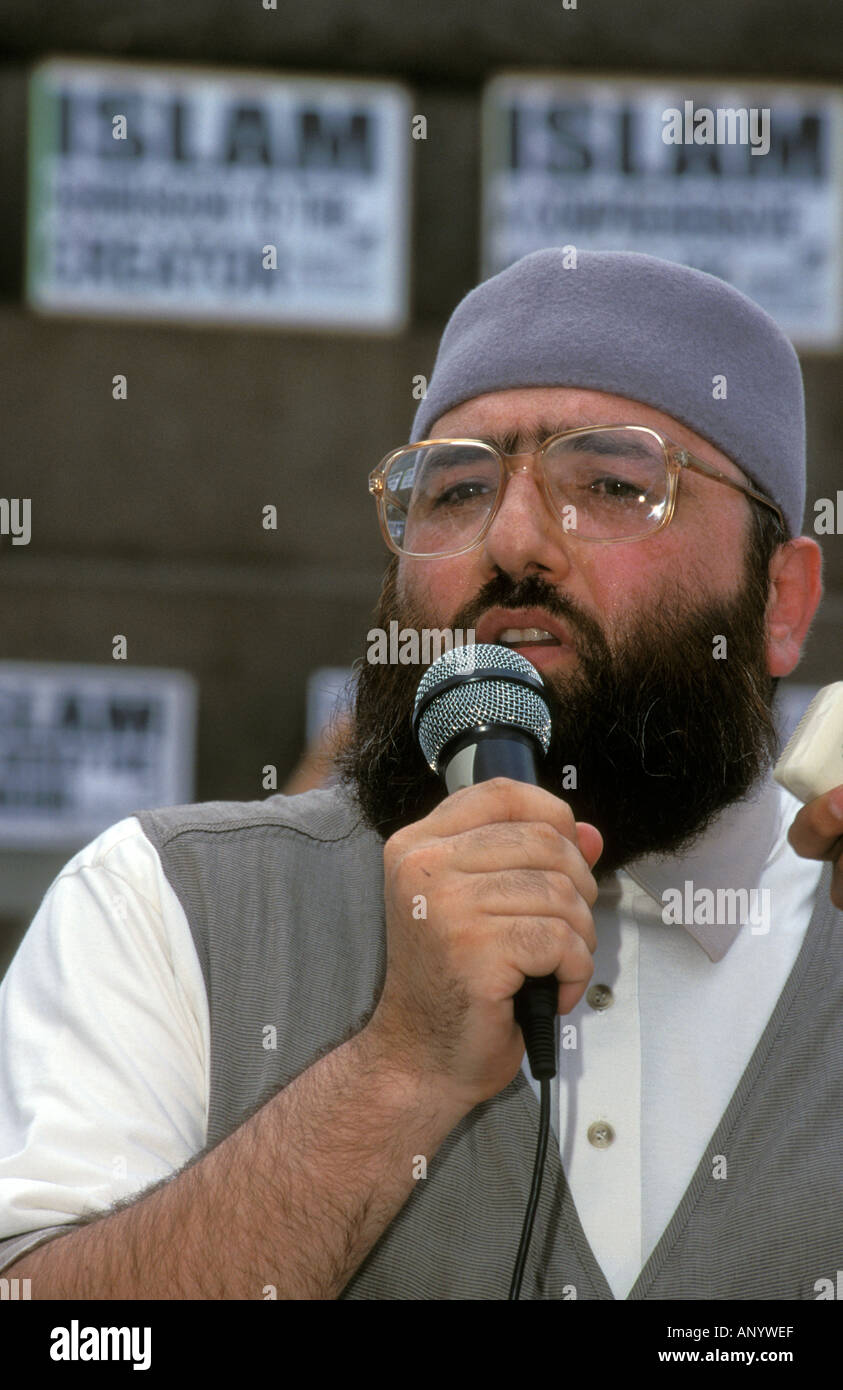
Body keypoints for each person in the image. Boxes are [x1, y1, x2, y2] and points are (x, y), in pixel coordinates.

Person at [0, 249, 840, 1301]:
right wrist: (399, 1069)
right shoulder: (168, 907)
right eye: (457, 488)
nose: (516, 539)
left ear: (780, 603)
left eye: (614, 483)